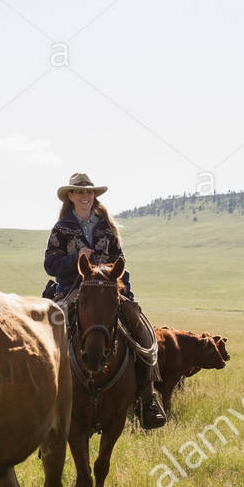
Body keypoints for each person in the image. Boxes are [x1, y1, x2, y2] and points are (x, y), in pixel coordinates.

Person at [43, 172, 167, 429]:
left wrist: (124, 293)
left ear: (94, 195)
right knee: (48, 334)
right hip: (71, 289)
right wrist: (76, 257)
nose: (85, 196)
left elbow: (120, 260)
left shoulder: (106, 227)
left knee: (142, 330)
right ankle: (46, 404)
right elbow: (50, 264)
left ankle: (147, 398)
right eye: (79, 192)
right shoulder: (61, 229)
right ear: (71, 196)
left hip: (109, 289)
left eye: (89, 192)